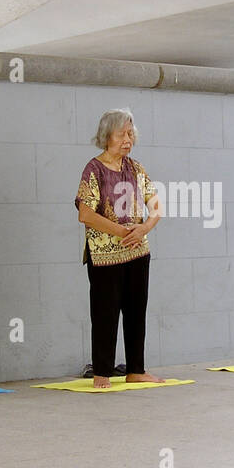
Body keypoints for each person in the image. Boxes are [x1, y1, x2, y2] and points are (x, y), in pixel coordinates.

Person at [75, 109, 165, 389]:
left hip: (138, 252)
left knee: (137, 310)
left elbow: (157, 206)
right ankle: (102, 371)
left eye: (130, 134)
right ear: (106, 137)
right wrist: (123, 231)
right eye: (121, 134)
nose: (128, 139)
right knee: (105, 312)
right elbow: (85, 214)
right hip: (104, 256)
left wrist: (143, 229)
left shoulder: (136, 168)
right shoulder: (94, 169)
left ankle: (136, 369)